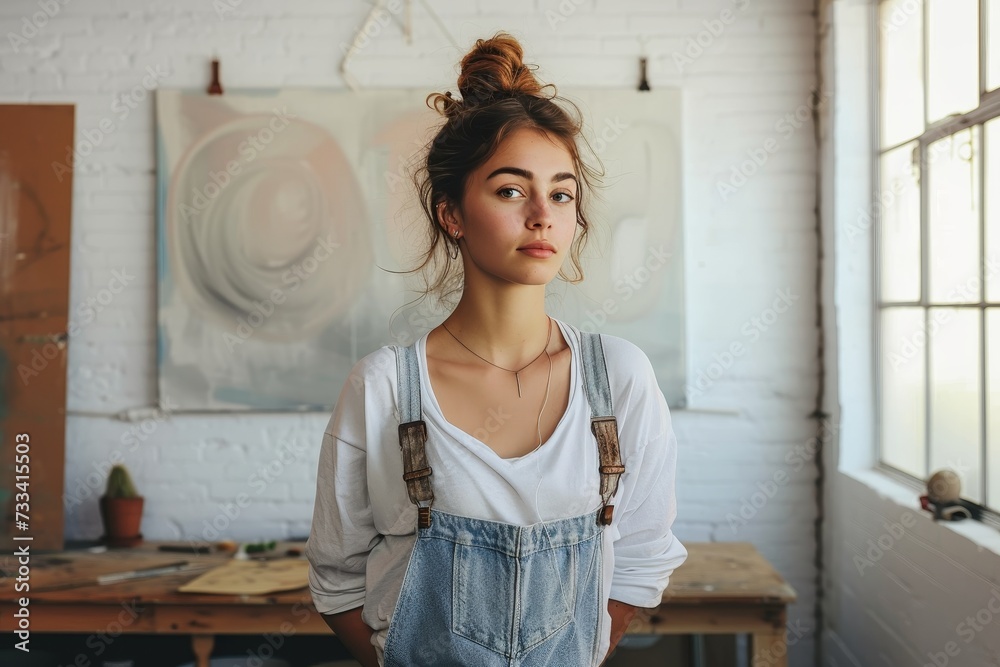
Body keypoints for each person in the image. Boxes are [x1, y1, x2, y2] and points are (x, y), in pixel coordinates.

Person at [305, 31, 687, 667]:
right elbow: (337, 581)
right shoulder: (384, 389)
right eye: (511, 190)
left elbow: (644, 556)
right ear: (452, 212)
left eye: (561, 193)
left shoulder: (618, 378)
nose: (542, 214)